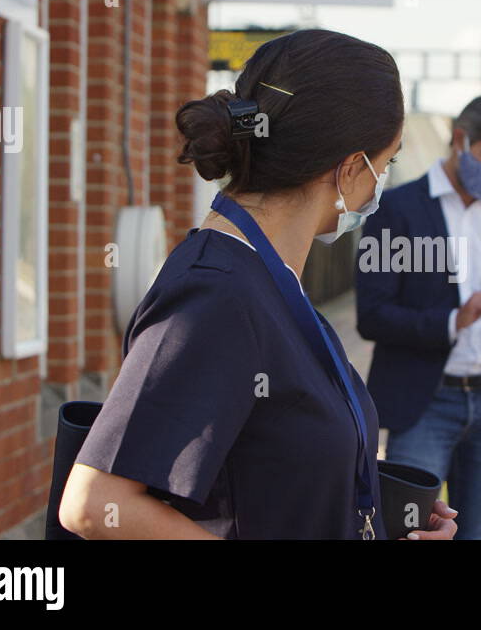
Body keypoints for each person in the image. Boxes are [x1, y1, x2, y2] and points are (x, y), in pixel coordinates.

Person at [57, 29, 457, 540]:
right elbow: (95, 503)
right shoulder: (216, 294)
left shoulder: (267, 279)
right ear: (351, 169)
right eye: (388, 162)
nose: (383, 179)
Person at [355, 94, 481, 540]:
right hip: (426, 403)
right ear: (460, 140)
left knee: (478, 531)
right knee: (414, 532)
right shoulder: (393, 211)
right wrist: (451, 321)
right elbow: (372, 316)